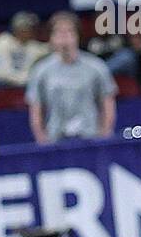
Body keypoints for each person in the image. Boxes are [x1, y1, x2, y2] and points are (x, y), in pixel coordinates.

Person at [26, 12, 117, 143]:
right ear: (51, 38)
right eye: (58, 32)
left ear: (78, 36)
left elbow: (108, 103)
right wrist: (42, 139)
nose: (64, 37)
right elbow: (35, 108)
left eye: (69, 31)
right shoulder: (40, 70)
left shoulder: (97, 67)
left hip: (91, 137)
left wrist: (105, 134)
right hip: (55, 139)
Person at [0, 11, 49, 95]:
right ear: (17, 29)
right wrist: (22, 80)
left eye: (31, 28)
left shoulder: (32, 45)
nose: (31, 31)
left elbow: (50, 49)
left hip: (21, 84)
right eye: (26, 28)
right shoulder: (3, 41)